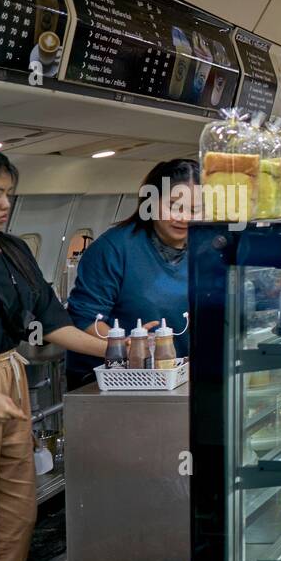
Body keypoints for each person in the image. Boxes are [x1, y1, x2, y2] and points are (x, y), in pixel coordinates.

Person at [0, 152, 108, 561]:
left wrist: (113, 348)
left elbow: (51, 320)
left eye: (8, 193)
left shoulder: (11, 251)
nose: (5, 204)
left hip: (7, 381)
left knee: (16, 515)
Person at [65, 159, 199, 390]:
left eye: (195, 209)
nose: (184, 217)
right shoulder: (114, 248)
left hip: (176, 377)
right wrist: (129, 347)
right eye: (174, 206)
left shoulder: (206, 248)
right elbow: (84, 319)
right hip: (113, 381)